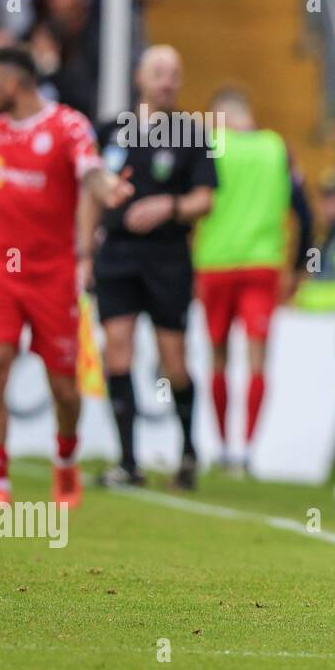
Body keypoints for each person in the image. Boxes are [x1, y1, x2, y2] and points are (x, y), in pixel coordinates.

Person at [0, 45, 132, 507]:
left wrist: (108, 187)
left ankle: (65, 460)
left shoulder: (66, 126)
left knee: (63, 386)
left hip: (52, 274)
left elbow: (91, 170)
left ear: (12, 84)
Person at [87, 45, 216, 490]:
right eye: (159, 71)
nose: (167, 80)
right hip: (117, 256)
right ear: (139, 77)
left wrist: (170, 205)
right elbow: (92, 192)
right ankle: (128, 461)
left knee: (173, 361)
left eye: (174, 73)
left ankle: (187, 452)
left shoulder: (191, 133)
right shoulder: (111, 130)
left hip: (167, 258)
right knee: (116, 349)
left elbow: (205, 199)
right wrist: (85, 252)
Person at [192, 87, 312, 474]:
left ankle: (224, 448)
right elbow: (304, 212)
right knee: (258, 359)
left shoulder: (208, 143)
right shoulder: (276, 148)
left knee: (219, 356)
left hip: (215, 263)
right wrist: (297, 267)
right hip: (263, 265)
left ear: (219, 114)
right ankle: (246, 452)